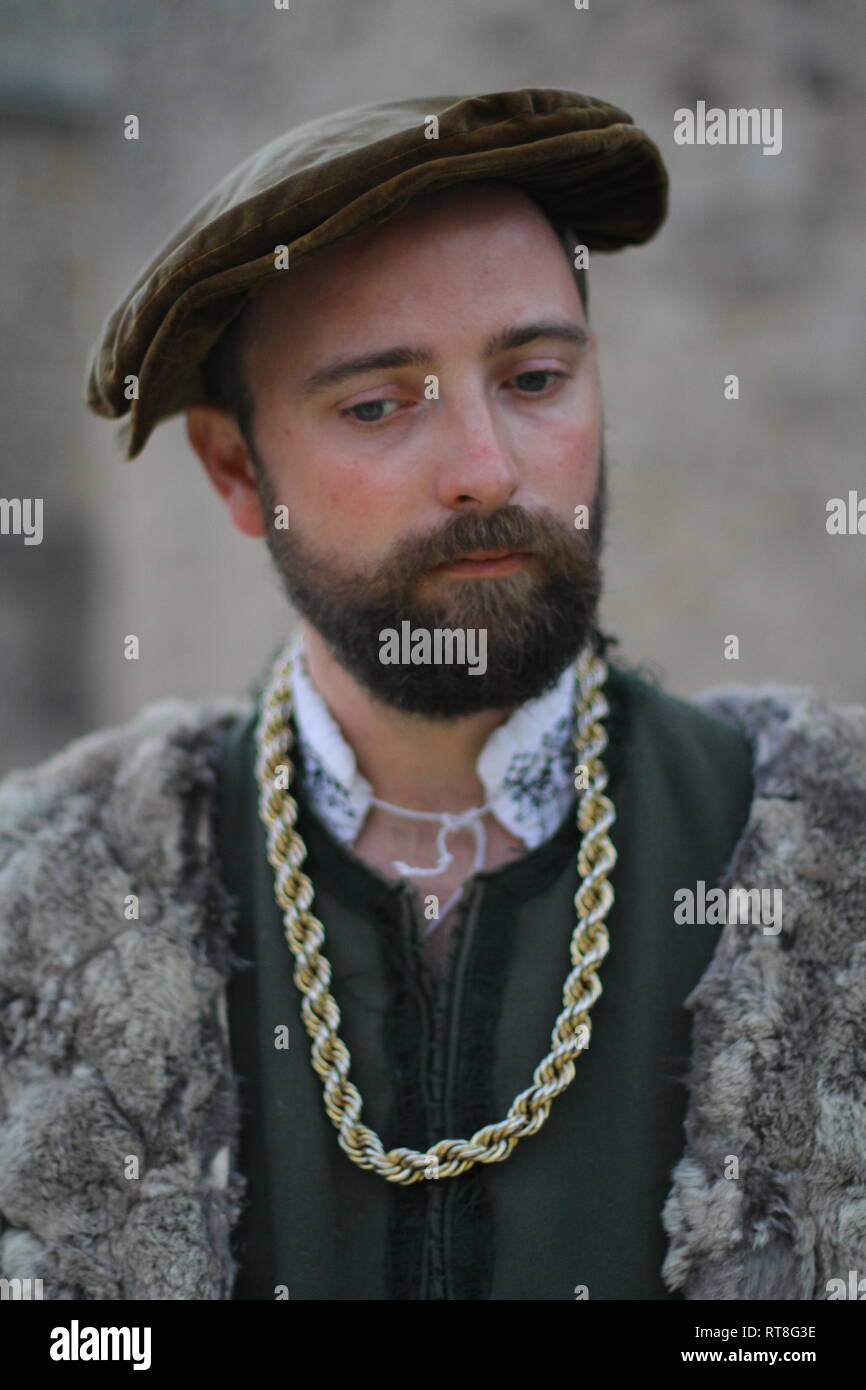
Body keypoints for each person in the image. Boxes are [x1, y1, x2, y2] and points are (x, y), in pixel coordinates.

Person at [1, 88, 864, 1302]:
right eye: (375, 404)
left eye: (533, 377)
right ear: (239, 470)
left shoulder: (837, 862)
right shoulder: (35, 916)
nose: (486, 470)